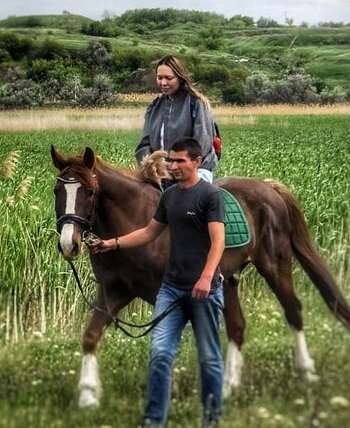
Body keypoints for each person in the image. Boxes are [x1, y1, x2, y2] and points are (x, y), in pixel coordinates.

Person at [89, 137, 226, 428]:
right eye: (171, 161)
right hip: (172, 290)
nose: (173, 166)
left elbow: (218, 242)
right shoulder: (170, 196)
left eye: (180, 161)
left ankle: (211, 419)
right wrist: (111, 244)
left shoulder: (210, 196)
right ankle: (154, 421)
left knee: (209, 359)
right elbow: (149, 232)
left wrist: (205, 278)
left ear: (197, 162)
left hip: (204, 291)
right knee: (161, 354)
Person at [135, 55, 218, 183]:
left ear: (180, 78)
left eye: (169, 78)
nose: (163, 83)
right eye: (160, 78)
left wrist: (175, 166)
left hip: (195, 170)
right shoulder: (154, 106)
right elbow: (144, 144)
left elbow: (202, 144)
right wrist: (154, 165)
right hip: (161, 172)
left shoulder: (196, 104)